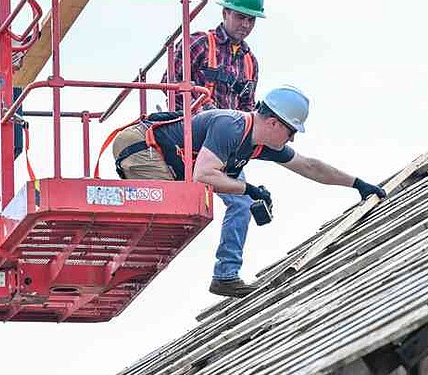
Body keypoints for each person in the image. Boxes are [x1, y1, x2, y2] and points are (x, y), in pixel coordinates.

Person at [112, 85, 386, 298]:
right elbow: (203, 175)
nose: (291, 139)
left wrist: (357, 184)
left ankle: (225, 277)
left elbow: (309, 166)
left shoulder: (261, 144)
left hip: (167, 159)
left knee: (226, 206)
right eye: (291, 132)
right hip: (142, 146)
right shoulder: (230, 126)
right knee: (168, 213)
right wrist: (249, 188)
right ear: (274, 123)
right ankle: (113, 265)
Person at [161, 0, 266, 293]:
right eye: (240, 17)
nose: (245, 25)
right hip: (190, 137)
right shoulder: (198, 44)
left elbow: (248, 109)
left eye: (251, 20)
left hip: (226, 146)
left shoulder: (250, 62)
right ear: (225, 13)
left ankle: (226, 275)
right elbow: (172, 87)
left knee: (244, 201)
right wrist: (206, 116)